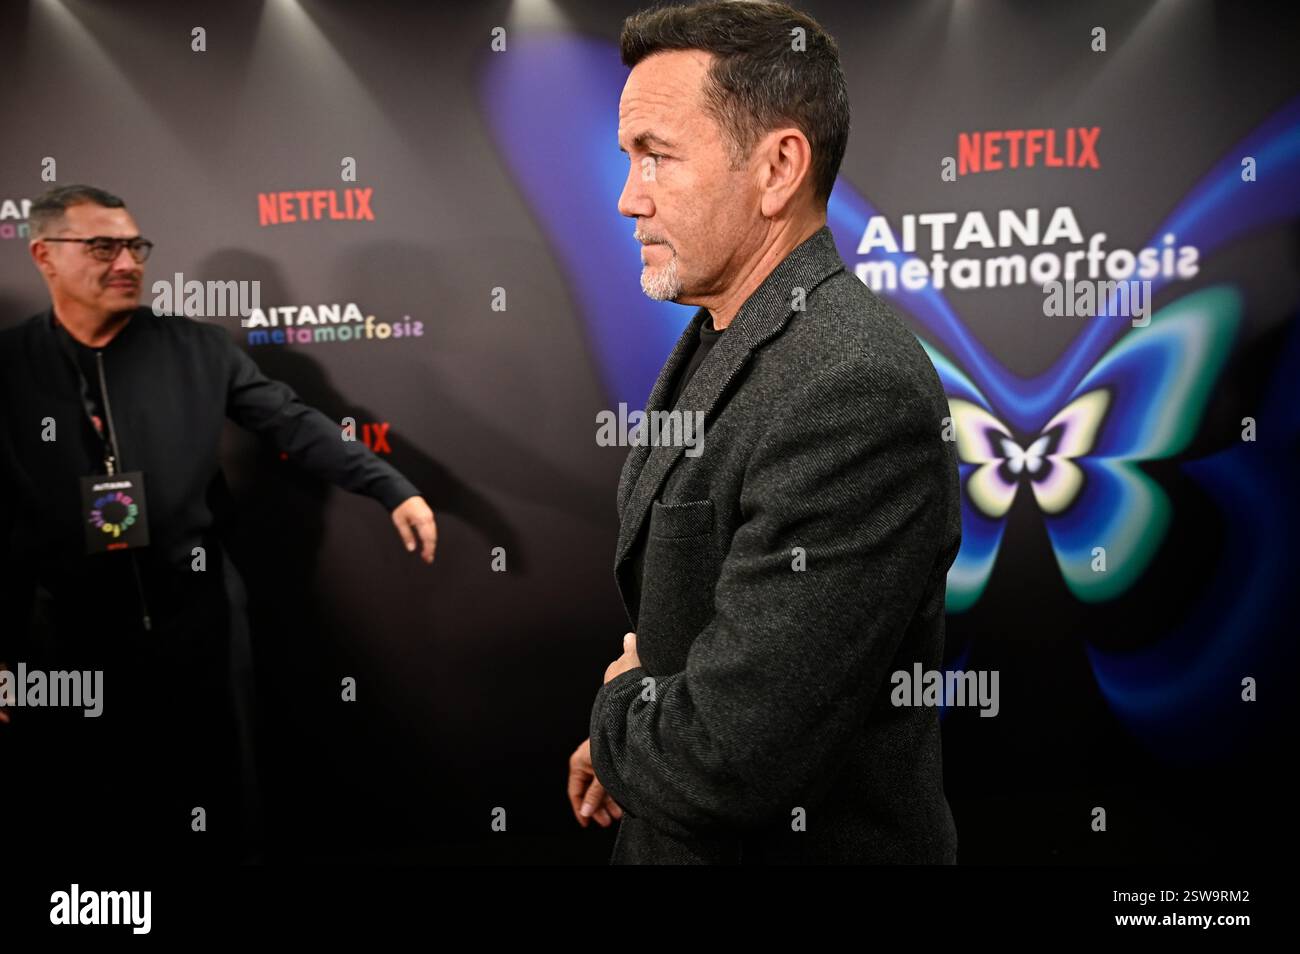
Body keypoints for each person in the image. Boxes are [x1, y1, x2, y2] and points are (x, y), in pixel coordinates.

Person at [567, 1, 962, 863]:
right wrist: (637, 742)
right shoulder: (723, 330)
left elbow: (728, 760)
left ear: (778, 167)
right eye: (628, 159)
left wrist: (622, 706)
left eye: (655, 157)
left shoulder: (852, 387)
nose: (628, 197)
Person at [0, 184, 437, 861]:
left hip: (197, 618)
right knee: (88, 806)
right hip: (67, 632)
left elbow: (296, 424)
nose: (126, 262)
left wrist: (391, 487)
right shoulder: (8, 368)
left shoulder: (197, 349)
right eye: (101, 247)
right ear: (43, 255)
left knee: (219, 795)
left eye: (134, 246)